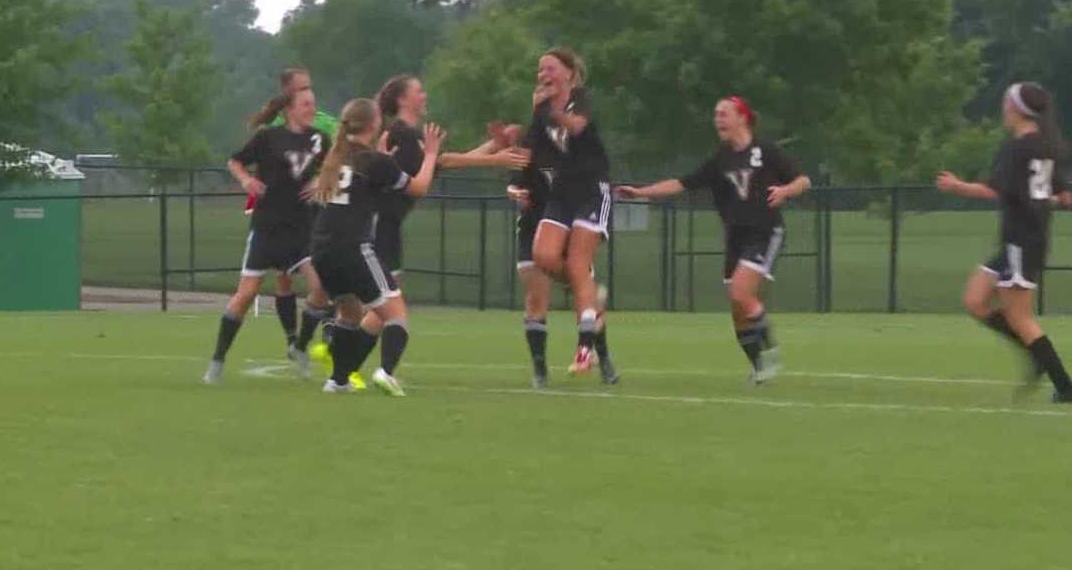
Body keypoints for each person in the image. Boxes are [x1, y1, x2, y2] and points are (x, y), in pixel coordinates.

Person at [335, 75, 526, 389]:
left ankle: (342, 370)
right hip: (379, 224)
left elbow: (439, 162)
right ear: (402, 100)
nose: (424, 95)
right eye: (418, 91)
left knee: (384, 306)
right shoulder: (401, 133)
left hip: (387, 224)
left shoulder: (411, 136)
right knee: (388, 304)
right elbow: (442, 160)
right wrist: (495, 157)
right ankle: (366, 365)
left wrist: (494, 146)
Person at [616, 96, 810, 384]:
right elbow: (681, 183)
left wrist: (784, 192)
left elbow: (803, 181)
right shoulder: (721, 159)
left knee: (742, 294)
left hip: (765, 232)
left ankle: (771, 353)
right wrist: (641, 193)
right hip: (735, 238)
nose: (717, 119)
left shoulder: (766, 151)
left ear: (742, 117)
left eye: (723, 113)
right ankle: (759, 367)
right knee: (738, 313)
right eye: (715, 114)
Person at [936, 82, 1072, 403]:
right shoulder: (1046, 147)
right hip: (1022, 240)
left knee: (1020, 318)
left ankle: (1067, 388)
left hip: (1021, 240)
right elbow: (1066, 197)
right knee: (975, 301)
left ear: (1017, 109)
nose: (1003, 109)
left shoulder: (1018, 149)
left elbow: (993, 190)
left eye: (1006, 103)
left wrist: (956, 186)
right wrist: (1042, 200)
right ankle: (1035, 357)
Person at [309, 98, 443, 395]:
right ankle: (386, 372)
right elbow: (418, 187)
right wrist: (431, 155)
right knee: (396, 314)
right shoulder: (373, 162)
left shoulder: (339, 157)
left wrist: (383, 158)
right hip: (352, 246)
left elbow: (363, 188)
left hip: (321, 250)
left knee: (350, 314)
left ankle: (338, 381)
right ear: (374, 125)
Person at [202, 88, 332, 383]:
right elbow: (235, 162)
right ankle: (217, 361)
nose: (312, 108)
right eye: (306, 104)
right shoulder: (268, 138)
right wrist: (247, 179)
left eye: (313, 103)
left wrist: (321, 180)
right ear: (289, 109)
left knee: (321, 288)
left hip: (301, 229)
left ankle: (299, 347)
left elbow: (336, 166)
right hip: (267, 227)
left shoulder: (319, 140)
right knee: (245, 295)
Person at [522, 48, 620, 380]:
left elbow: (576, 127)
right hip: (562, 192)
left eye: (549, 69)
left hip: (592, 189)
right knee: (543, 255)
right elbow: (530, 152)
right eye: (540, 70)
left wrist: (548, 108)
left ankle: (584, 348)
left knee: (578, 264)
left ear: (567, 73)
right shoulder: (541, 110)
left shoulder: (580, 99)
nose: (543, 75)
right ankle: (590, 295)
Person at [243, 68, 340, 359]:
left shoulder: (323, 123)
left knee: (321, 268)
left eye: (309, 87)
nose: (308, 93)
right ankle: (292, 338)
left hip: (313, 205)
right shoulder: (273, 125)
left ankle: (327, 329)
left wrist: (320, 178)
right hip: (277, 209)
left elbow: (338, 154)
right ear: (288, 92)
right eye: (302, 88)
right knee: (282, 275)